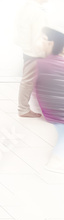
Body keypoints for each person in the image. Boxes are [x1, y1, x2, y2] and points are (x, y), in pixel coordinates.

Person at [35, 27, 64, 172]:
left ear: (51, 44)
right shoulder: (53, 63)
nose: (40, 42)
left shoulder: (42, 63)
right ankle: (55, 160)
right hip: (58, 111)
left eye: (43, 39)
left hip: (53, 110)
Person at [16, 0, 50, 118]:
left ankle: (25, 108)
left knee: (29, 80)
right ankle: (23, 109)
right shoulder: (36, 12)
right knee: (28, 81)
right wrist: (44, 53)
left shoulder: (26, 8)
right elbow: (38, 35)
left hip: (28, 50)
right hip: (35, 52)